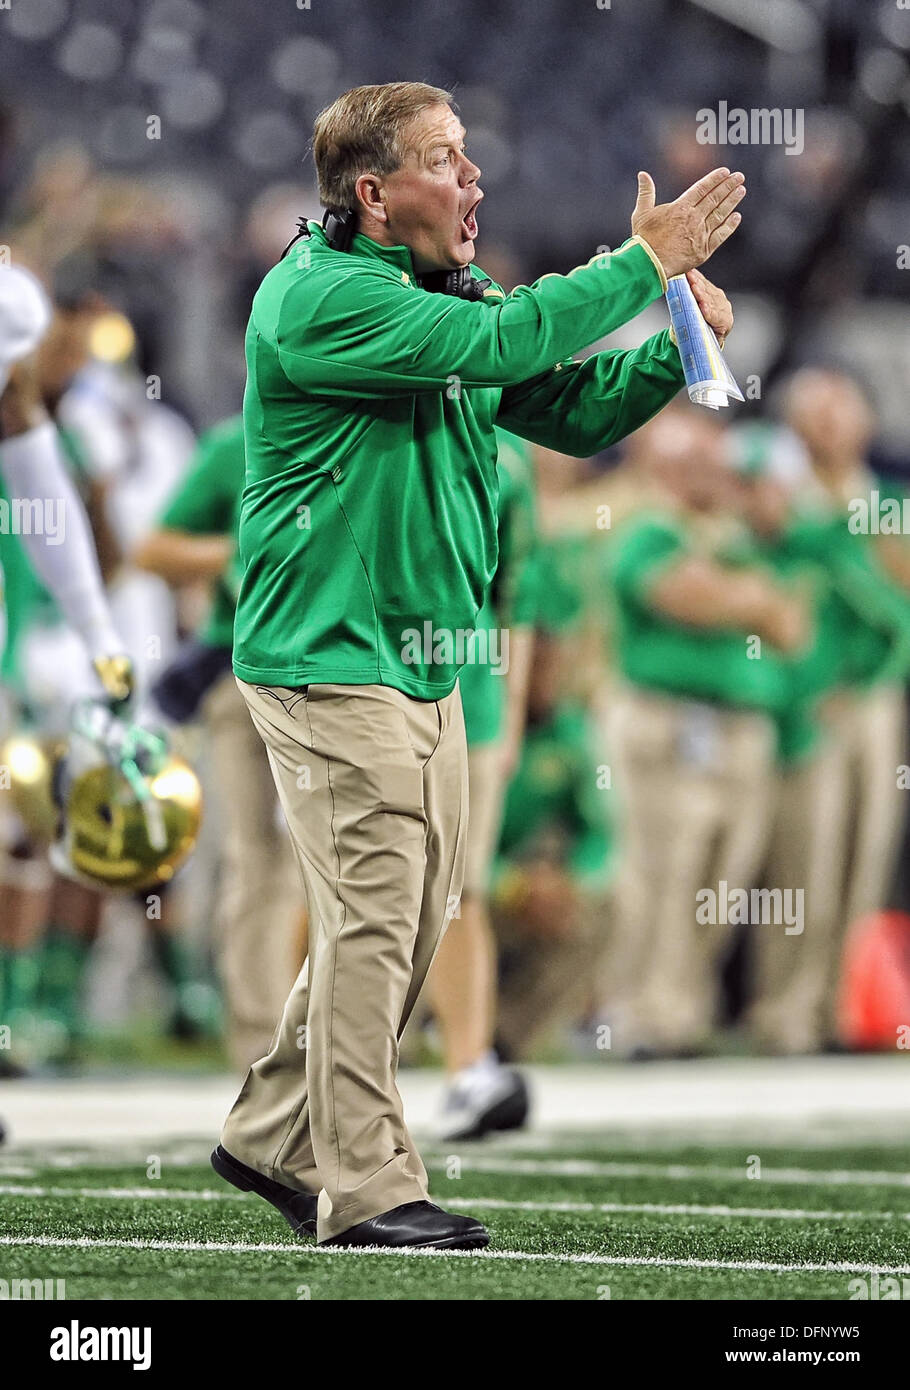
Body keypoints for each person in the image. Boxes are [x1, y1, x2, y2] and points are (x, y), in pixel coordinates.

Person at [210, 80, 742, 1250]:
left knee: (403, 916)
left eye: (468, 156)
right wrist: (634, 262)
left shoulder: (439, 283)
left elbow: (558, 401)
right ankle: (365, 1184)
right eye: (446, 160)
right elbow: (504, 341)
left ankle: (266, 1131)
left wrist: (671, 346)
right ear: (373, 190)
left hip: (426, 655)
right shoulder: (322, 297)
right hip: (330, 652)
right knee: (375, 919)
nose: (473, 179)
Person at [135, 415, 304, 1071]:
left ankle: (349, 1041)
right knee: (258, 856)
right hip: (246, 676)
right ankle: (262, 1044)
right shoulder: (234, 443)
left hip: (350, 672)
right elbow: (152, 550)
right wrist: (236, 554)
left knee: (345, 858)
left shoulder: (367, 420)